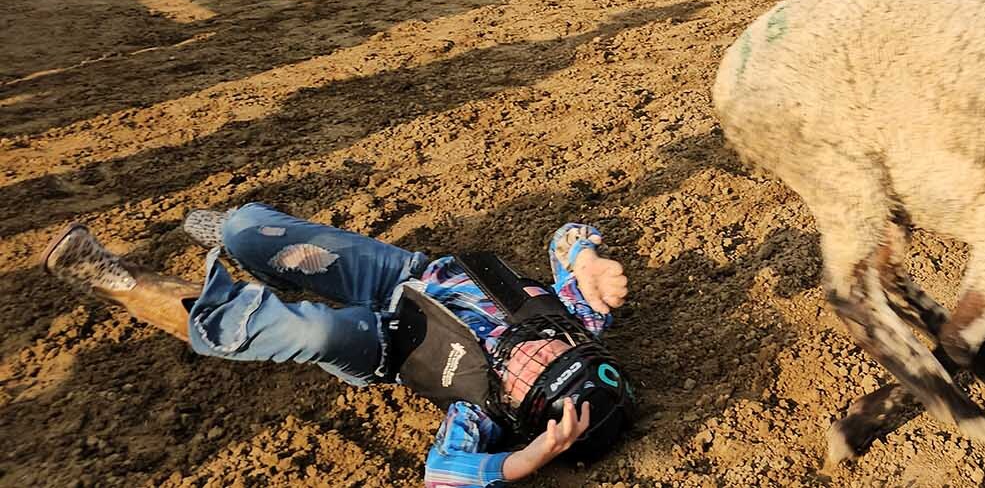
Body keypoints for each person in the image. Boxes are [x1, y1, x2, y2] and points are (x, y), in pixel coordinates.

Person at [41, 204, 639, 487]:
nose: (540, 355)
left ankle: (119, 281)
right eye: (562, 355)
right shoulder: (576, 318)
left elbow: (444, 473)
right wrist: (586, 259)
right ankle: (233, 237)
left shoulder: (480, 411)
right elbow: (566, 236)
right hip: (405, 272)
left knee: (311, 331)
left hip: (380, 342)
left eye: (538, 376)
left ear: (524, 409)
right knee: (250, 231)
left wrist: (519, 463)